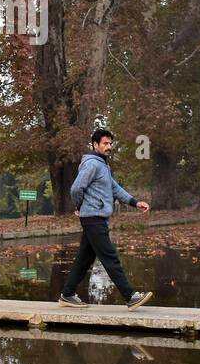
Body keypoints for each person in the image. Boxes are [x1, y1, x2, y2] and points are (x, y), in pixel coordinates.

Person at [58, 128, 155, 309]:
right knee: (110, 257)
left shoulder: (103, 166)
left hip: (96, 217)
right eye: (105, 143)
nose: (109, 146)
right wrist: (80, 206)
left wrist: (135, 202)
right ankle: (130, 296)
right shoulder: (92, 165)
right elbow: (76, 189)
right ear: (95, 145)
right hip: (93, 217)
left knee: (84, 259)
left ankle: (67, 294)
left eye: (110, 143)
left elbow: (115, 188)